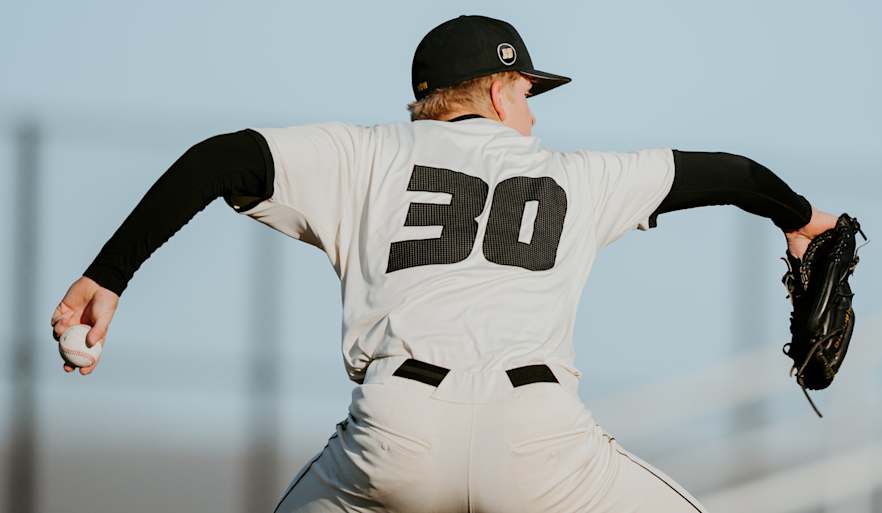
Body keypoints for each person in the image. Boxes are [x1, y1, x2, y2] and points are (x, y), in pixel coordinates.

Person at [50, 14, 838, 513]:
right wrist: (804, 221)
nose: (534, 112)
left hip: (397, 435)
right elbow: (735, 174)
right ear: (498, 94)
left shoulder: (360, 155)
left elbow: (218, 159)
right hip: (543, 446)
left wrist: (106, 277)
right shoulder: (580, 175)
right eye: (528, 92)